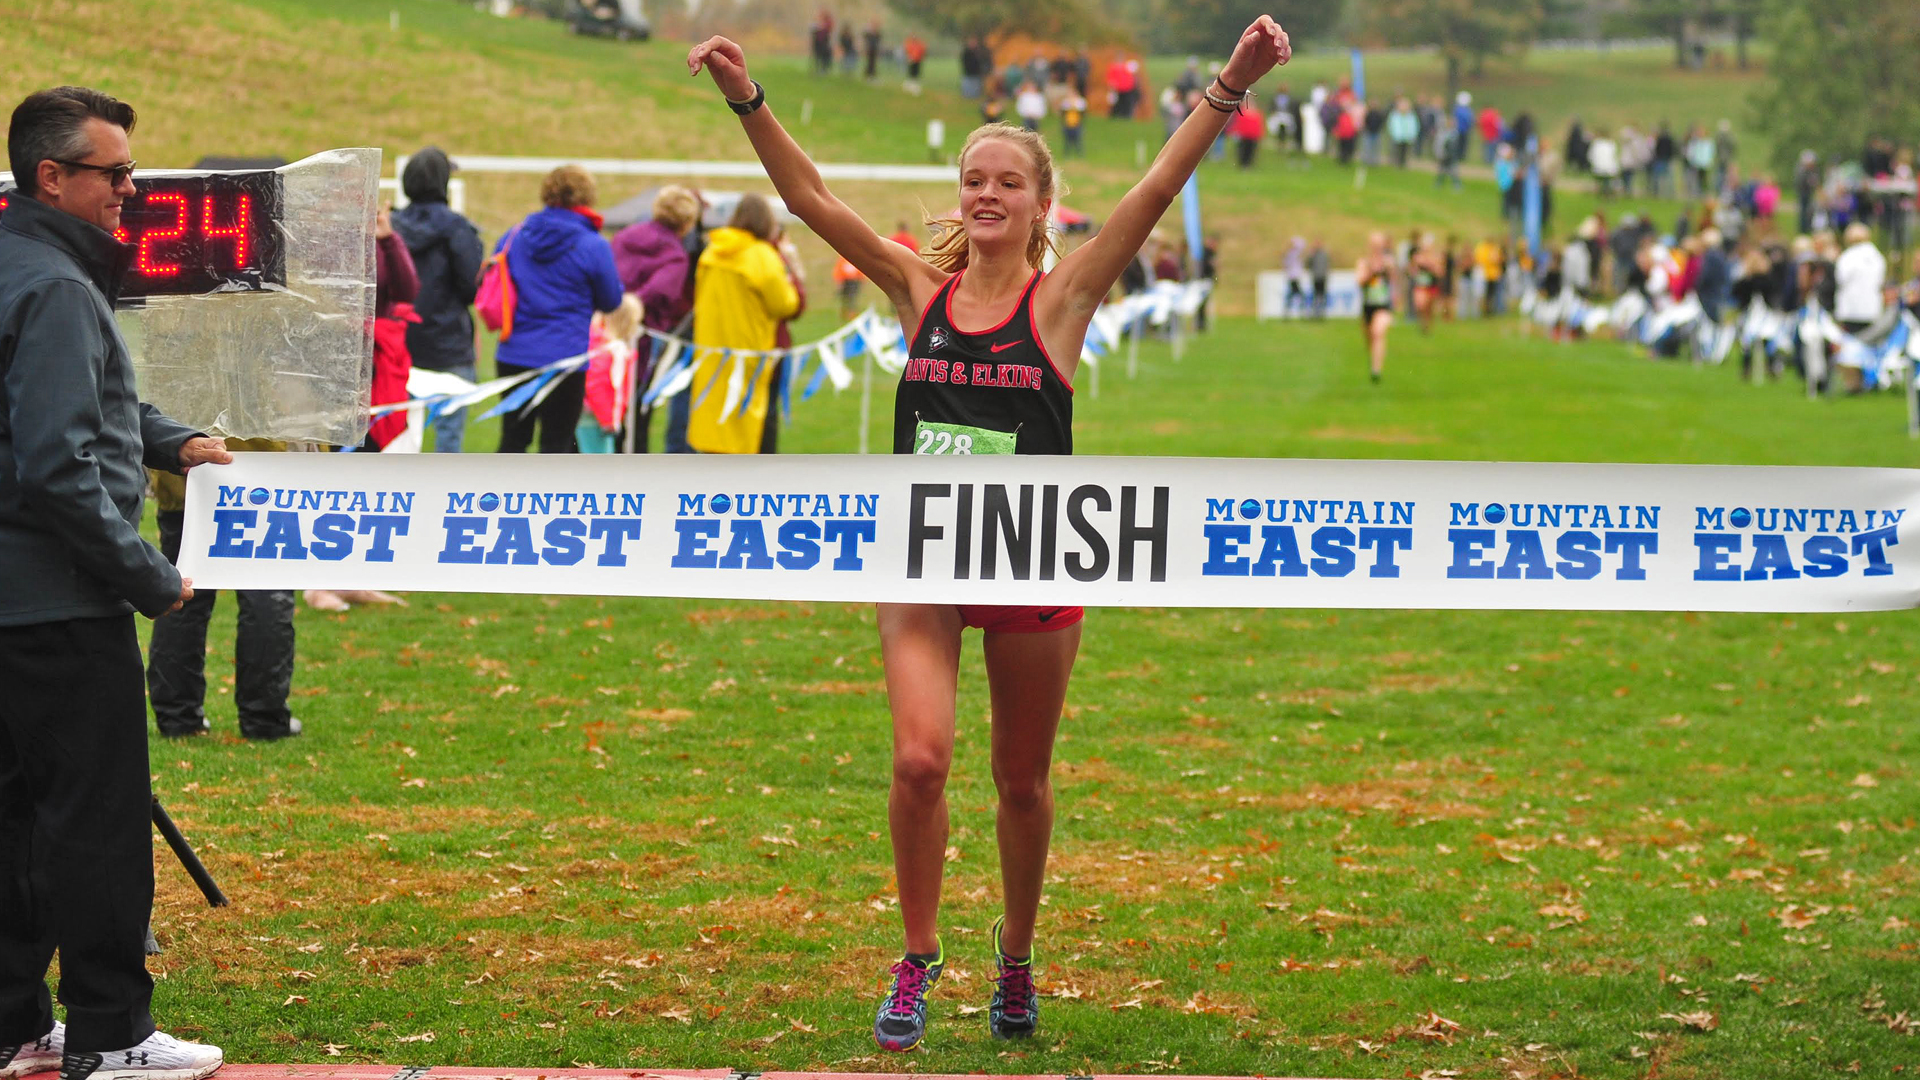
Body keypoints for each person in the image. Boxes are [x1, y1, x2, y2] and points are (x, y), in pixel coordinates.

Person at [686, 13, 1291, 1050]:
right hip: (923, 567)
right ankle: (917, 959)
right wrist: (748, 96)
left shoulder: (1064, 303)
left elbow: (1151, 195)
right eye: (976, 179)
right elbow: (809, 200)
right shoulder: (918, 291)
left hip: (1033, 566)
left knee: (1021, 780)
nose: (988, 195)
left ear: (1041, 203)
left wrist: (1230, 86)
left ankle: (1016, 958)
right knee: (920, 761)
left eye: (1009, 182)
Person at [0, 84, 231, 1080]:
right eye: (117, 173)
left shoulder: (29, 271)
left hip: (14, 604)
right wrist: (146, 572)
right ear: (53, 177)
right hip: (62, 601)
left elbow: (90, 406)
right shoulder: (55, 287)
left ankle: (15, 1023)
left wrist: (175, 441)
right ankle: (111, 1031)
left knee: (13, 823)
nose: (133, 191)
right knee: (95, 823)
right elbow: (56, 460)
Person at [145, 441, 298, 740]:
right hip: (265, 467)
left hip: (186, 473)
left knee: (183, 592)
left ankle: (178, 715)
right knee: (266, 591)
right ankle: (264, 716)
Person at [491, 165, 623, 454]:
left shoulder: (514, 236)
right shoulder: (593, 245)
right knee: (557, 445)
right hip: (565, 359)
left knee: (512, 441)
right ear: (587, 197)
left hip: (514, 354)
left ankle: (497, 500)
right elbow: (611, 300)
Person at [683, 193, 801, 454]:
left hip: (712, 355)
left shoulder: (711, 252)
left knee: (712, 426)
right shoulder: (762, 257)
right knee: (742, 434)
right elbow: (786, 304)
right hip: (746, 357)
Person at [391, 148, 484, 454]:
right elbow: (471, 288)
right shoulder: (458, 228)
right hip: (448, 345)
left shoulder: (389, 226)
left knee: (395, 436)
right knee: (448, 441)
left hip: (397, 345)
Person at [611, 185, 697, 451]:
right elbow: (658, 292)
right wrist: (632, 309)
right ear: (686, 224)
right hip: (642, 342)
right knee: (638, 413)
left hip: (604, 334)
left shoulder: (624, 237)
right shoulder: (675, 256)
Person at [577, 294, 643, 454]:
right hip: (595, 417)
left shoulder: (602, 345)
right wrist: (608, 419)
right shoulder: (608, 351)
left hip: (596, 415)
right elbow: (596, 385)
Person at [1832, 221, 1886, 392]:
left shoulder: (1848, 257)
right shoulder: (1877, 257)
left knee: (1850, 349)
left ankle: (1854, 383)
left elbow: (1840, 280)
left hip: (1851, 310)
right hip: (1872, 310)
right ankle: (1870, 381)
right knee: (1869, 347)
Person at [1356, 231, 1395, 383]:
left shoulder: (1388, 262)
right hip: (1368, 306)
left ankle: (1376, 370)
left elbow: (1394, 281)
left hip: (1383, 306)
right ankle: (1374, 361)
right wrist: (1371, 271)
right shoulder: (1363, 263)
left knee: (1378, 333)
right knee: (1370, 339)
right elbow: (1359, 281)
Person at [1306, 236, 1330, 318]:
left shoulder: (1324, 254)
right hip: (1316, 277)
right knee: (1316, 295)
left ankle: (1322, 312)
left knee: (1322, 295)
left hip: (1322, 277)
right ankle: (1316, 312)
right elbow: (1308, 264)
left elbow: (1327, 265)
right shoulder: (1313, 254)